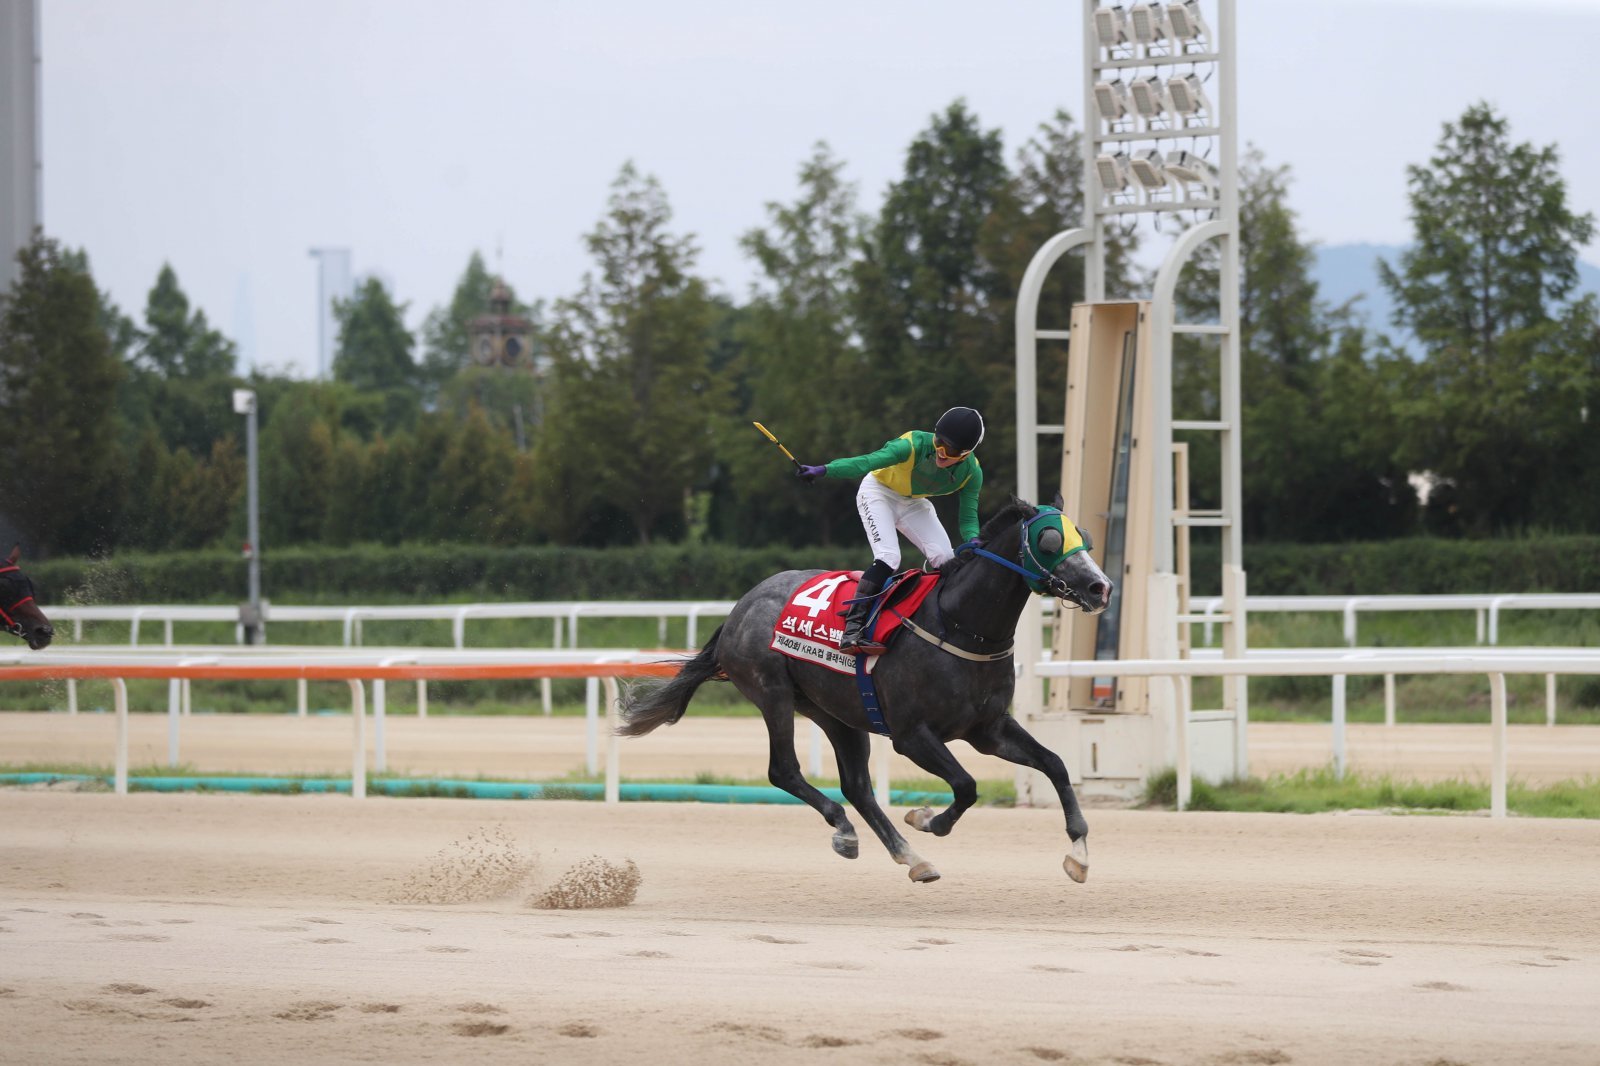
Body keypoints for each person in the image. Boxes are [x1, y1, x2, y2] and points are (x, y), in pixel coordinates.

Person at [795, 406, 985, 654]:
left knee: (947, 560)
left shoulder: (972, 472)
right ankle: (853, 628)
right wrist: (824, 470)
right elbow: (866, 462)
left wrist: (974, 539)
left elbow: (968, 516)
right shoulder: (911, 445)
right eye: (939, 442)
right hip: (878, 492)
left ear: (966, 454)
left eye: (949, 450)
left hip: (914, 502)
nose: (940, 452)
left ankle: (942, 624)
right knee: (889, 557)